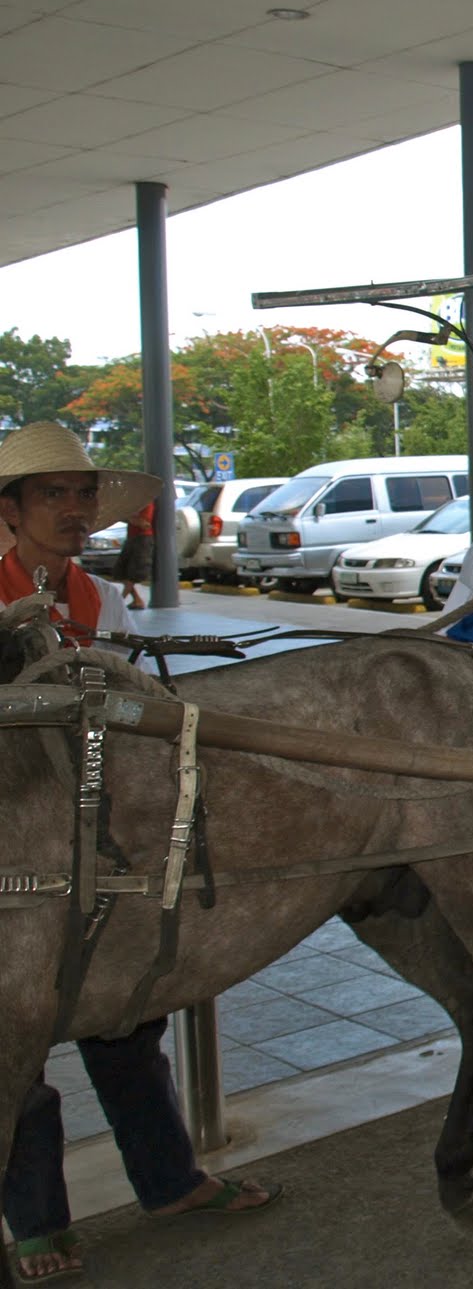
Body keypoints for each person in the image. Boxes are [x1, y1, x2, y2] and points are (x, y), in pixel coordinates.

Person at [0, 421, 281, 1284]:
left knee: (123, 1008)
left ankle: (169, 1181)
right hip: (12, 837)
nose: (76, 510)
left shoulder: (99, 601)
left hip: (99, 824)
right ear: (10, 510)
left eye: (84, 495)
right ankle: (38, 1222)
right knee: (18, 1029)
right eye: (56, 495)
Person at [114, 499, 155, 610]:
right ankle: (136, 599)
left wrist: (129, 517)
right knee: (121, 572)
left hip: (142, 538)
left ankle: (120, 601)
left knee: (135, 572)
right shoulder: (135, 503)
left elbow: (145, 524)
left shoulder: (146, 503)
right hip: (132, 537)